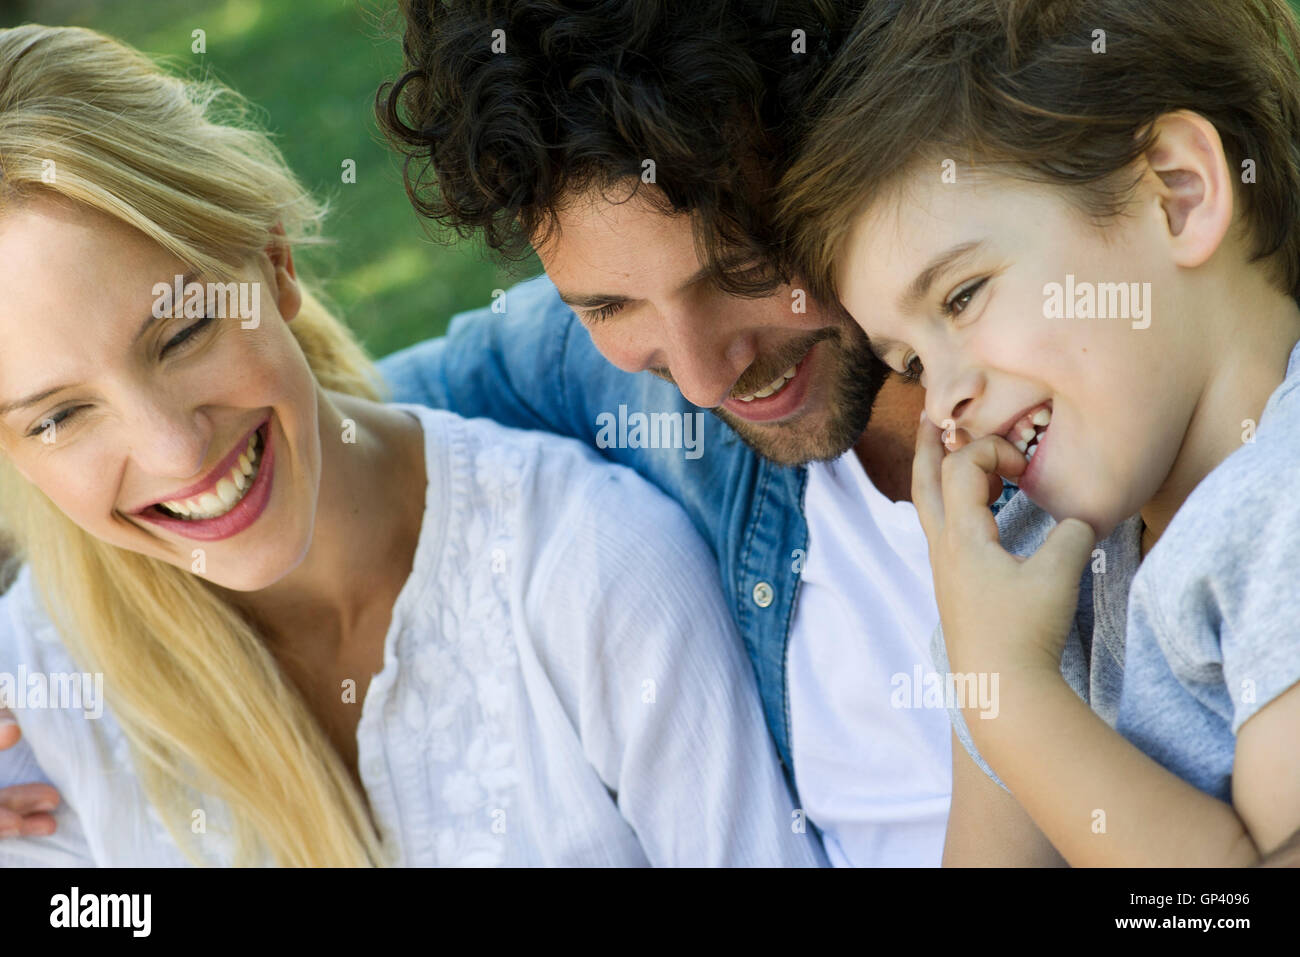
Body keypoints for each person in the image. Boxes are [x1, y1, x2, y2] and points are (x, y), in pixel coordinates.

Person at [0, 23, 818, 867]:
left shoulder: (589, 577)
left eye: (183, 334)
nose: (174, 451)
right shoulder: (30, 718)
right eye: (58, 416)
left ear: (274, 262)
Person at [370, 0, 977, 866]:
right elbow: (360, 421)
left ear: (849, 131)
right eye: (609, 304)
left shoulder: (1084, 404)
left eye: (740, 265)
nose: (702, 378)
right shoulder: (610, 376)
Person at [779, 0, 1300, 866]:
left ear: (1178, 194)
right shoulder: (1037, 570)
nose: (941, 401)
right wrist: (993, 669)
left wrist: (1014, 699)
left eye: (962, 296)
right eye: (908, 364)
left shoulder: (1280, 502)